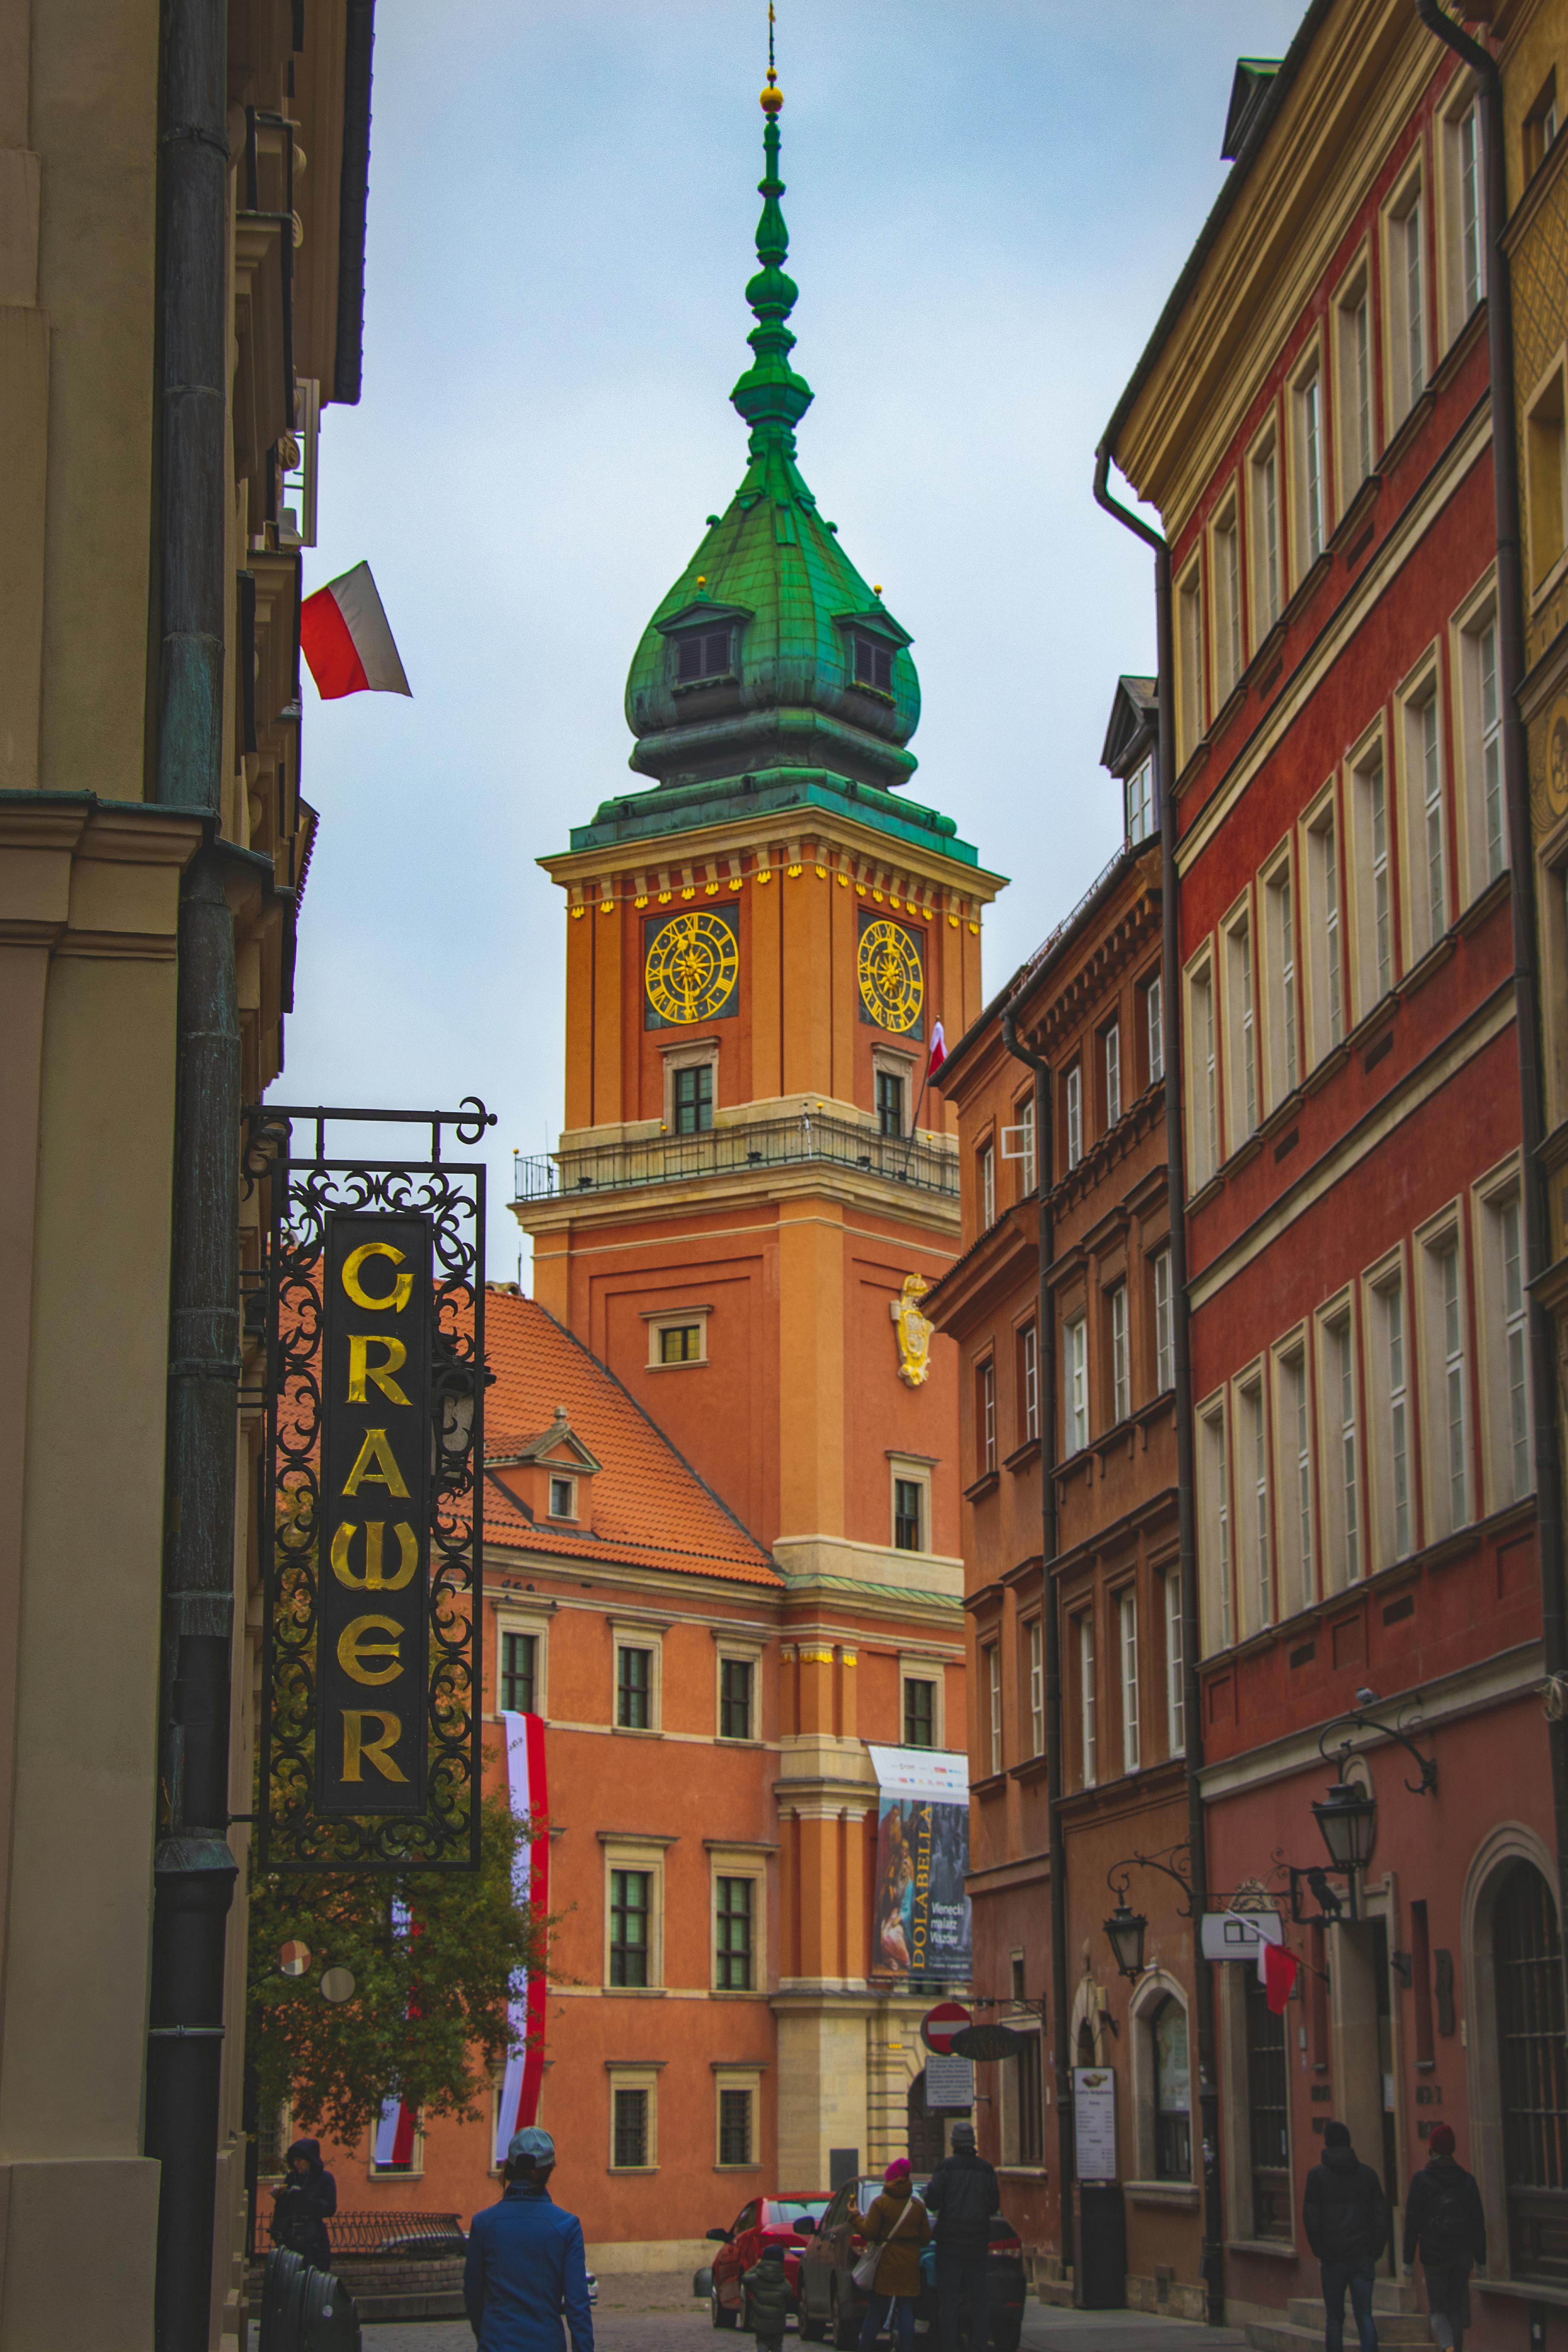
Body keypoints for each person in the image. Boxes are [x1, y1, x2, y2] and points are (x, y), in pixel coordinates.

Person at [465, 2126, 594, 2352]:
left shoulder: (483, 2224)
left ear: (510, 2168)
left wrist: (486, 2337)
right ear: (549, 2170)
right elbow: (578, 2305)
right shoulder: (566, 2226)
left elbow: (474, 2295)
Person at [1302, 2120, 1390, 2352]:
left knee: (1334, 2318)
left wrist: (1321, 2250)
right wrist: (1375, 2250)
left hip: (1332, 2258)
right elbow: (1382, 2217)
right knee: (1365, 2315)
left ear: (1327, 2144)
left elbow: (1311, 2219)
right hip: (1362, 2255)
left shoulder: (1317, 2177)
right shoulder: (1368, 2175)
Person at [1403, 2124, 1487, 2352]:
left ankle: (1448, 2349)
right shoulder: (1468, 2181)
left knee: (1438, 2311)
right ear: (1453, 2149)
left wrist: (1407, 2261)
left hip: (1434, 2256)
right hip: (1462, 2256)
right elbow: (1478, 2223)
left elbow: (1412, 2222)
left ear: (1431, 2150)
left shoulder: (1421, 2181)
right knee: (1456, 2312)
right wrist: (1481, 2261)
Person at [924, 2121, 1000, 2352]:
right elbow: (994, 2206)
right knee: (979, 2300)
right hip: (977, 2243)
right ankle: (979, 2346)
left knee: (948, 2302)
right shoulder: (986, 2170)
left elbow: (933, 2202)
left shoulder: (945, 2169)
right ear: (973, 2143)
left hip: (950, 2244)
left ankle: (949, 2346)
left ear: (954, 2143)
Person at [857, 2158, 930, 2352]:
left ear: (890, 2180)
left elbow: (869, 2232)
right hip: (909, 2264)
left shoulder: (880, 2204)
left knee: (876, 2310)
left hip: (885, 2263)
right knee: (907, 2309)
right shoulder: (917, 2206)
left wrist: (855, 2217)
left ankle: (865, 2349)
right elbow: (926, 2238)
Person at [268, 2135, 337, 2272]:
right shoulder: (291, 2178)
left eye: (300, 2160)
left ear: (310, 2160)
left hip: (314, 2244)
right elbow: (283, 2211)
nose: (296, 2164)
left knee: (313, 2283)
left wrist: (303, 2198)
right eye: (294, 2161)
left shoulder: (325, 2179)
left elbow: (329, 2208)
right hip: (290, 2242)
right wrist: (281, 2198)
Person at [742, 2241, 793, 2352]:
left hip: (760, 2322)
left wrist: (757, 2266)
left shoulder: (757, 2279)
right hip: (778, 2323)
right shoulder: (784, 2282)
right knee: (777, 2345)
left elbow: (745, 2278)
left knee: (762, 2343)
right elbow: (789, 2295)